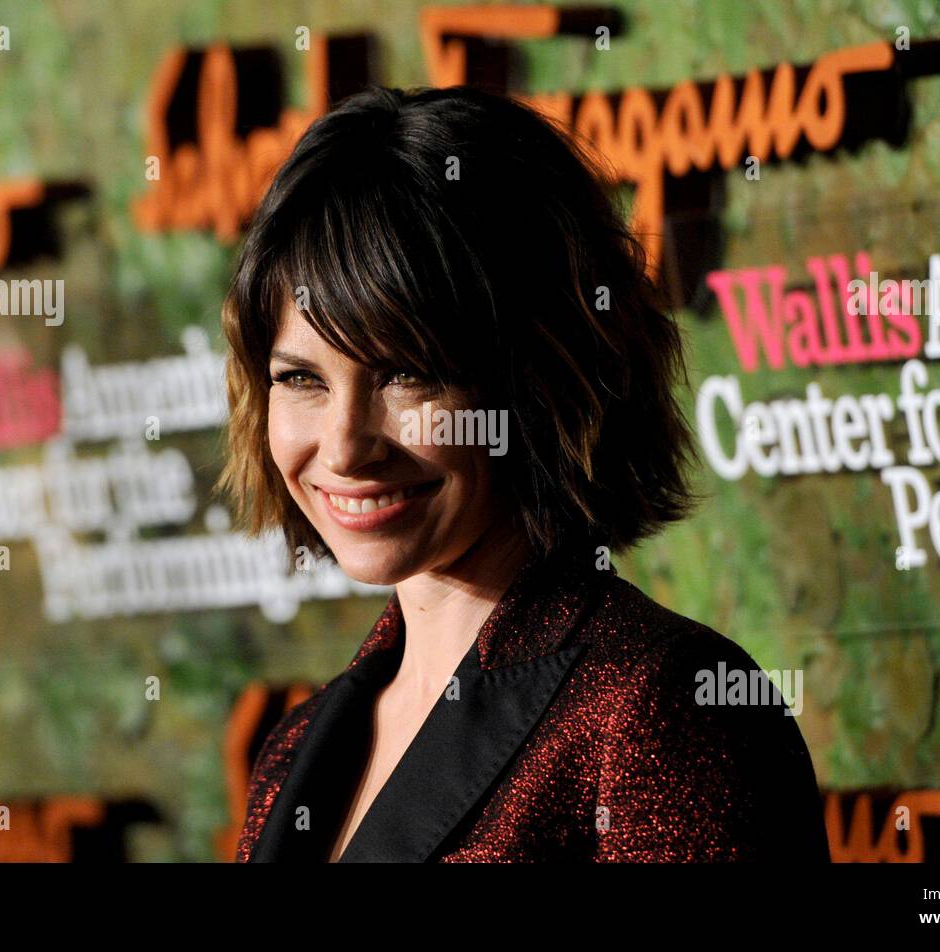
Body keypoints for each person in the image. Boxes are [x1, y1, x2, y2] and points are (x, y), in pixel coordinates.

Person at [222, 85, 829, 862]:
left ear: (542, 377)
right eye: (301, 379)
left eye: (408, 374)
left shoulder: (660, 710)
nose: (344, 448)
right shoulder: (297, 748)